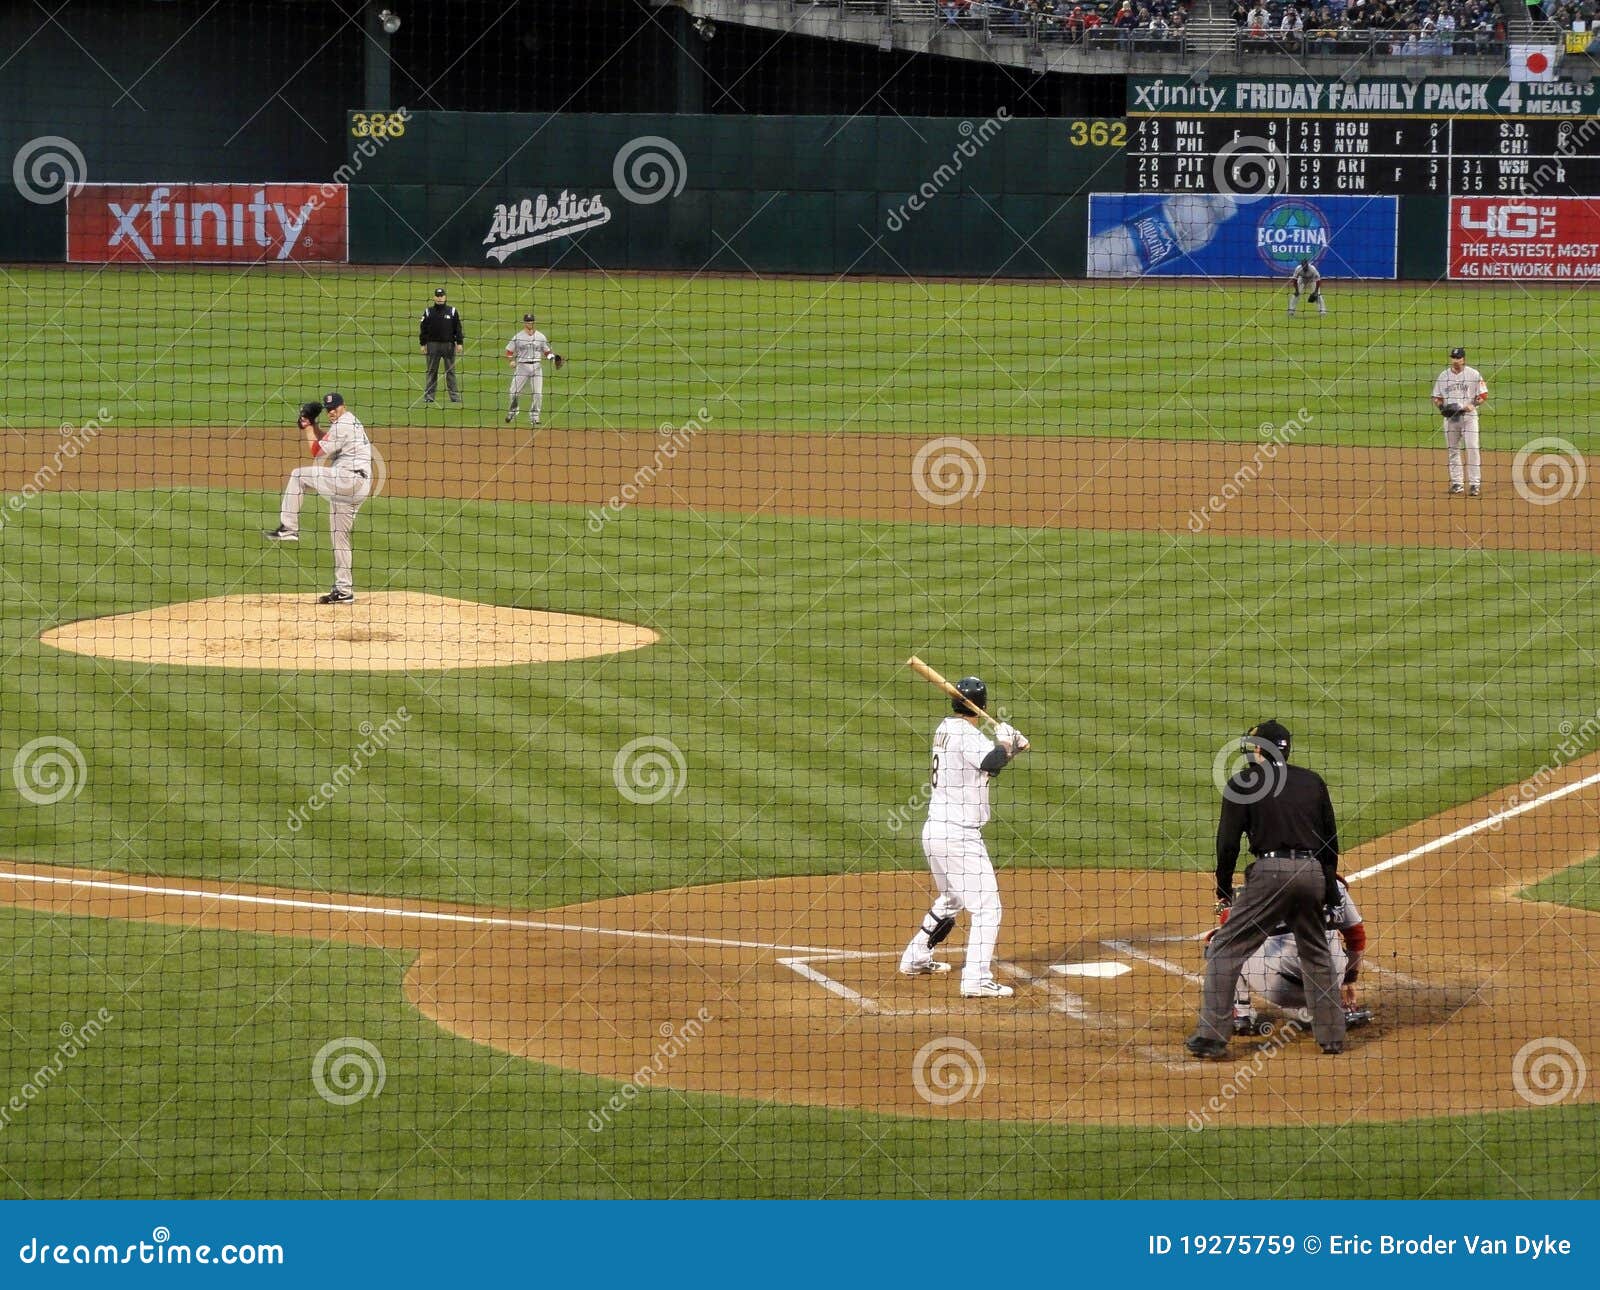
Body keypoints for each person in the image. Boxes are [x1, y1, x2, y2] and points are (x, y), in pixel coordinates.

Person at [1186, 720, 1348, 1058]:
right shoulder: (1312, 781)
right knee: (1316, 952)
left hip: (1270, 873)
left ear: (1261, 749)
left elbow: (1227, 843)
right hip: (1312, 872)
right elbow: (1330, 843)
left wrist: (1223, 886)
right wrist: (1329, 890)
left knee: (1225, 949)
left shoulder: (1244, 782)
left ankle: (1212, 1037)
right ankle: (1332, 1037)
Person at [899, 676, 1029, 998]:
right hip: (958, 835)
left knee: (952, 899)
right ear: (981, 705)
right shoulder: (965, 735)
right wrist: (1007, 743)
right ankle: (976, 979)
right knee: (988, 908)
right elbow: (991, 761)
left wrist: (1009, 748)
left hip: (936, 831)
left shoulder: (947, 729)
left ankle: (916, 957)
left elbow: (989, 765)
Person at [264, 392, 373, 605]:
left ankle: (289, 528)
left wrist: (307, 427)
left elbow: (316, 451)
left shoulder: (342, 425)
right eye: (328, 409)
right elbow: (326, 442)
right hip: (356, 485)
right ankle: (344, 590)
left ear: (344, 406)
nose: (331, 412)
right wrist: (312, 425)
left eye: (335, 408)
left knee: (298, 476)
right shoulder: (349, 422)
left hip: (348, 480)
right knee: (339, 538)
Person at [1230, 874, 1371, 1035]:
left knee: (1221, 942)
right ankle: (1339, 1008)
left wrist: (1229, 909)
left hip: (1280, 990)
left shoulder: (1262, 883)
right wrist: (1348, 980)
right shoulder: (1334, 884)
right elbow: (1356, 936)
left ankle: (1241, 1014)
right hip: (1328, 987)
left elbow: (1232, 929)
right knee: (1333, 941)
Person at [1432, 345, 1488, 497]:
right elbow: (1436, 397)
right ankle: (1457, 483)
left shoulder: (1473, 374)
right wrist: (1442, 408)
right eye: (1454, 357)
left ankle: (1474, 484)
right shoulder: (1443, 376)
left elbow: (1483, 394)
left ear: (1464, 359)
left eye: (1459, 358)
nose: (1456, 360)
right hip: (1451, 419)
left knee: (1472, 448)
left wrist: (1473, 404)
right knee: (1453, 450)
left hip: (1469, 418)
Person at [503, 313, 562, 426]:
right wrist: (511, 361)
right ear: (524, 323)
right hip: (522, 367)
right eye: (528, 322)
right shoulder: (518, 337)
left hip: (536, 367)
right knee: (513, 392)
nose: (530, 323)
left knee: (538, 394)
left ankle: (535, 417)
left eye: (531, 321)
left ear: (533, 322)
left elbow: (546, 352)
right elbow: (509, 351)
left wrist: (553, 359)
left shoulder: (540, 336)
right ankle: (513, 411)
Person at [419, 287, 464, 405]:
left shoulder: (452, 311)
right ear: (434, 298)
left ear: (445, 297)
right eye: (437, 296)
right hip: (432, 345)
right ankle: (429, 396)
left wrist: (459, 343)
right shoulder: (428, 311)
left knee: (450, 372)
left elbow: (458, 328)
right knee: (431, 371)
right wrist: (423, 344)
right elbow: (423, 329)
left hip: (448, 345)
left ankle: (454, 397)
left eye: (441, 296)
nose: (439, 298)